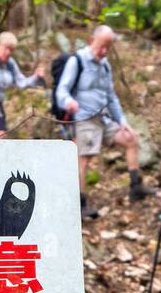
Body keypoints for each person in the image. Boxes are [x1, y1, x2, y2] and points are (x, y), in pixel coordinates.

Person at [55, 24, 152, 220]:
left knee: (130, 139)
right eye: (102, 46)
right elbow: (61, 91)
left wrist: (122, 121)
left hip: (104, 119)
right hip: (85, 119)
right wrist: (69, 102)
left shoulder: (105, 65)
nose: (104, 51)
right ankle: (80, 203)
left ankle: (136, 186)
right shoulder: (78, 61)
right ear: (92, 41)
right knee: (84, 159)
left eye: (109, 47)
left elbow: (111, 97)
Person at [0, 32, 45, 137]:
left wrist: (36, 77)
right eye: (6, 48)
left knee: (0, 138)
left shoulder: (10, 63)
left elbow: (21, 82)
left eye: (11, 50)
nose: (8, 52)